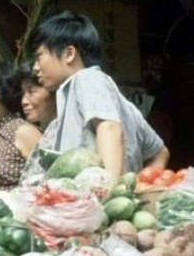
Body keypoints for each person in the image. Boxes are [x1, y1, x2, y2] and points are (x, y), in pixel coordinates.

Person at [22, 11, 170, 183]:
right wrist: (136, 190)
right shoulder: (123, 104)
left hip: (97, 206)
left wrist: (111, 193)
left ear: (69, 54)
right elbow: (160, 152)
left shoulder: (86, 79)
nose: (35, 67)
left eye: (39, 56)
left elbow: (110, 129)